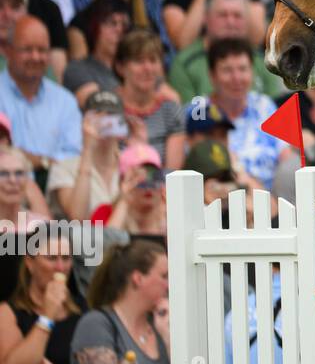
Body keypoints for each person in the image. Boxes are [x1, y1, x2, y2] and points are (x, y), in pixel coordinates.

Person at [68, 239, 170, 364]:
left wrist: (168, 338)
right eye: (164, 276)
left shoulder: (161, 324)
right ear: (138, 278)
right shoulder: (96, 323)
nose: (168, 285)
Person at [0, 222, 82, 364]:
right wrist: (47, 316)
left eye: (66, 258)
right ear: (30, 263)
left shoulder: (83, 310)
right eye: (52, 258)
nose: (61, 267)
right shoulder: (8, 312)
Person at [168, 0, 282, 104]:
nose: (230, 22)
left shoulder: (263, 62)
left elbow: (275, 112)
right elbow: (188, 117)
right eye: (223, 15)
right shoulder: (185, 64)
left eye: (237, 15)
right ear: (205, 18)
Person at [0, 17, 82, 174]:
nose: (36, 57)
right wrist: (46, 161)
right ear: (8, 51)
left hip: (56, 190)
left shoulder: (65, 101)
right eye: (27, 49)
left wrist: (38, 161)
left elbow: (73, 156)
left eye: (42, 50)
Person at [203, 38, 283, 191]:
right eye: (227, 70)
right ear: (212, 76)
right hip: (222, 198)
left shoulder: (264, 105)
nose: (237, 78)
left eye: (243, 69)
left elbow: (284, 153)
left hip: (273, 196)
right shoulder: (199, 110)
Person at [45, 90, 127, 222]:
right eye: (97, 114)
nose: (105, 121)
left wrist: (140, 148)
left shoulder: (130, 164)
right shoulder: (63, 167)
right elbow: (78, 217)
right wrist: (88, 149)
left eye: (111, 115)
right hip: (83, 241)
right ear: (84, 120)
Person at [113, 30, 184, 169]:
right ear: (120, 67)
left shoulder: (170, 109)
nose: (148, 68)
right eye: (139, 61)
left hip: (161, 187)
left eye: (153, 60)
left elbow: (171, 173)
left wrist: (142, 151)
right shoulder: (108, 109)